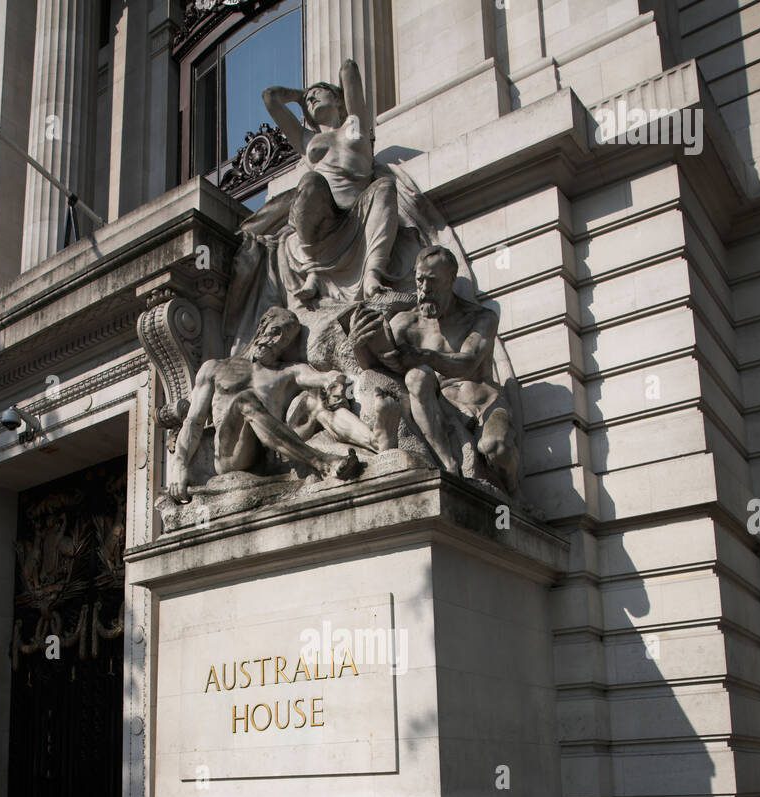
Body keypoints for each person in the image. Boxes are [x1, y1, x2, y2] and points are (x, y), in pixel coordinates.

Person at [228, 59, 398, 311]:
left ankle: (372, 276)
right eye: (309, 99)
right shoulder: (308, 141)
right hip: (321, 214)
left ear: (338, 99)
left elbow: (349, 69)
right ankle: (314, 272)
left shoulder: (355, 127)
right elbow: (270, 97)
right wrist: (300, 96)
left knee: (384, 187)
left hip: (358, 211)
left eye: (319, 93)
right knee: (310, 181)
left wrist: (321, 88)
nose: (312, 98)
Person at [347, 246, 520, 492]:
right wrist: (359, 345)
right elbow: (375, 367)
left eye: (432, 281)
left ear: (451, 279)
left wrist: (423, 355)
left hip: (482, 403)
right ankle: (448, 467)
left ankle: (515, 498)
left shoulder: (480, 318)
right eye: (420, 280)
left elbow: (467, 363)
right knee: (417, 376)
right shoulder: (406, 322)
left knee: (497, 446)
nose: (425, 289)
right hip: (439, 404)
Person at [168, 307, 358, 501]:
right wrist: (179, 465)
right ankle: (321, 461)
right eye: (276, 331)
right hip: (232, 455)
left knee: (315, 399)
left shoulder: (288, 372)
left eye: (285, 340)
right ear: (262, 326)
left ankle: (374, 443)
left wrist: (337, 383)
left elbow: (327, 377)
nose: (276, 341)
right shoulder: (215, 368)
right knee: (245, 401)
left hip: (272, 455)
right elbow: (194, 421)